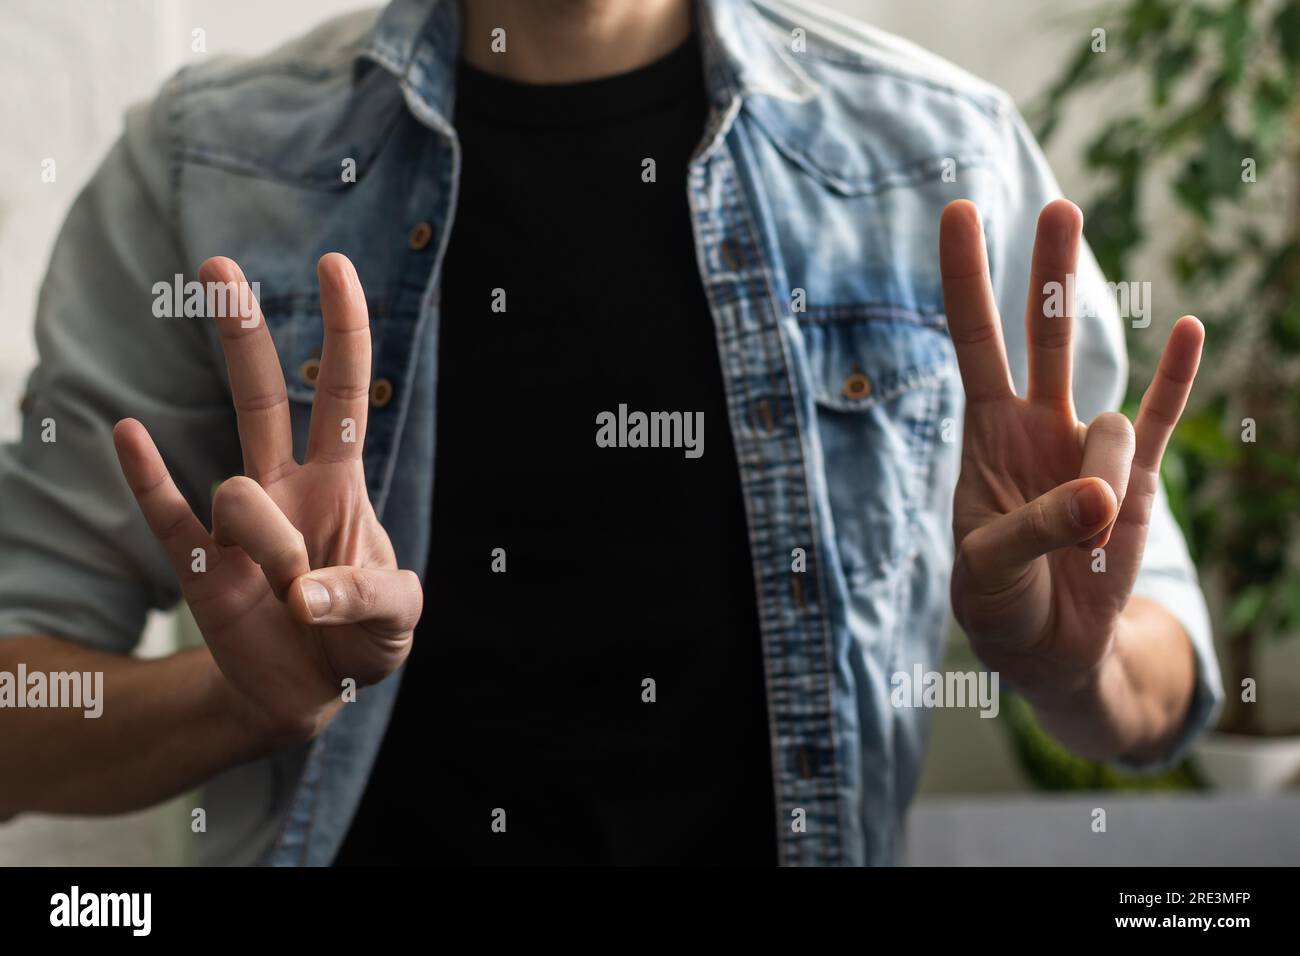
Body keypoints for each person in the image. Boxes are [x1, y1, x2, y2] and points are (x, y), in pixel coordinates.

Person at [0, 0, 1222, 866]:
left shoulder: (939, 157)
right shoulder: (206, 164)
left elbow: (1158, 663)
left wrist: (1080, 667)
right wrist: (238, 700)